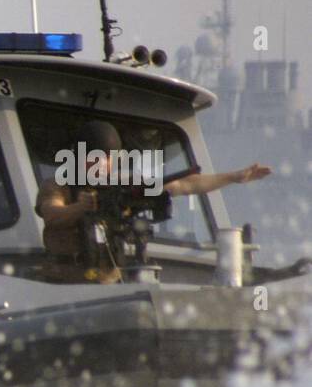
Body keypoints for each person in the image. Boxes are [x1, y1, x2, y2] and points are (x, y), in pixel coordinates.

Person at [35, 120, 271, 283]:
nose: (102, 164)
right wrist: (81, 207)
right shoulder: (59, 186)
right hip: (63, 280)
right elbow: (52, 213)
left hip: (107, 281)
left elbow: (184, 184)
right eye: (94, 157)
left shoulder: (122, 186)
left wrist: (234, 177)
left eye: (108, 158)